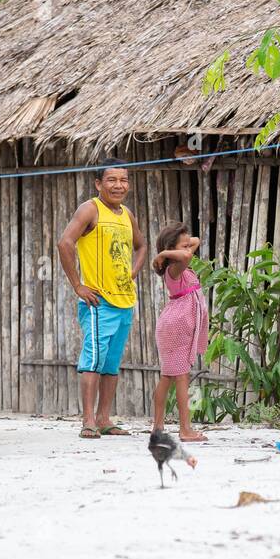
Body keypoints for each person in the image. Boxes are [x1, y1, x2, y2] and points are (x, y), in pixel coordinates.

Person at [56, 160, 147, 439]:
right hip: (98, 301)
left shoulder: (126, 214)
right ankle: (88, 421)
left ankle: (105, 419)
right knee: (93, 359)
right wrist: (77, 286)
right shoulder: (90, 209)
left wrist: (133, 271)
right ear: (98, 184)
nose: (119, 185)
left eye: (124, 180)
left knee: (111, 363)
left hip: (124, 300)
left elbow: (142, 245)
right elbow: (65, 243)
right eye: (111, 180)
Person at [151, 221, 208, 442]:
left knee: (167, 377)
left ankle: (157, 426)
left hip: (175, 325)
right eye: (182, 246)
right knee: (181, 377)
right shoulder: (175, 267)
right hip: (178, 326)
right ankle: (185, 430)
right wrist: (167, 253)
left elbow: (196, 240)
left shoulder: (176, 261)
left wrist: (171, 249)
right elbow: (185, 255)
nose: (188, 248)